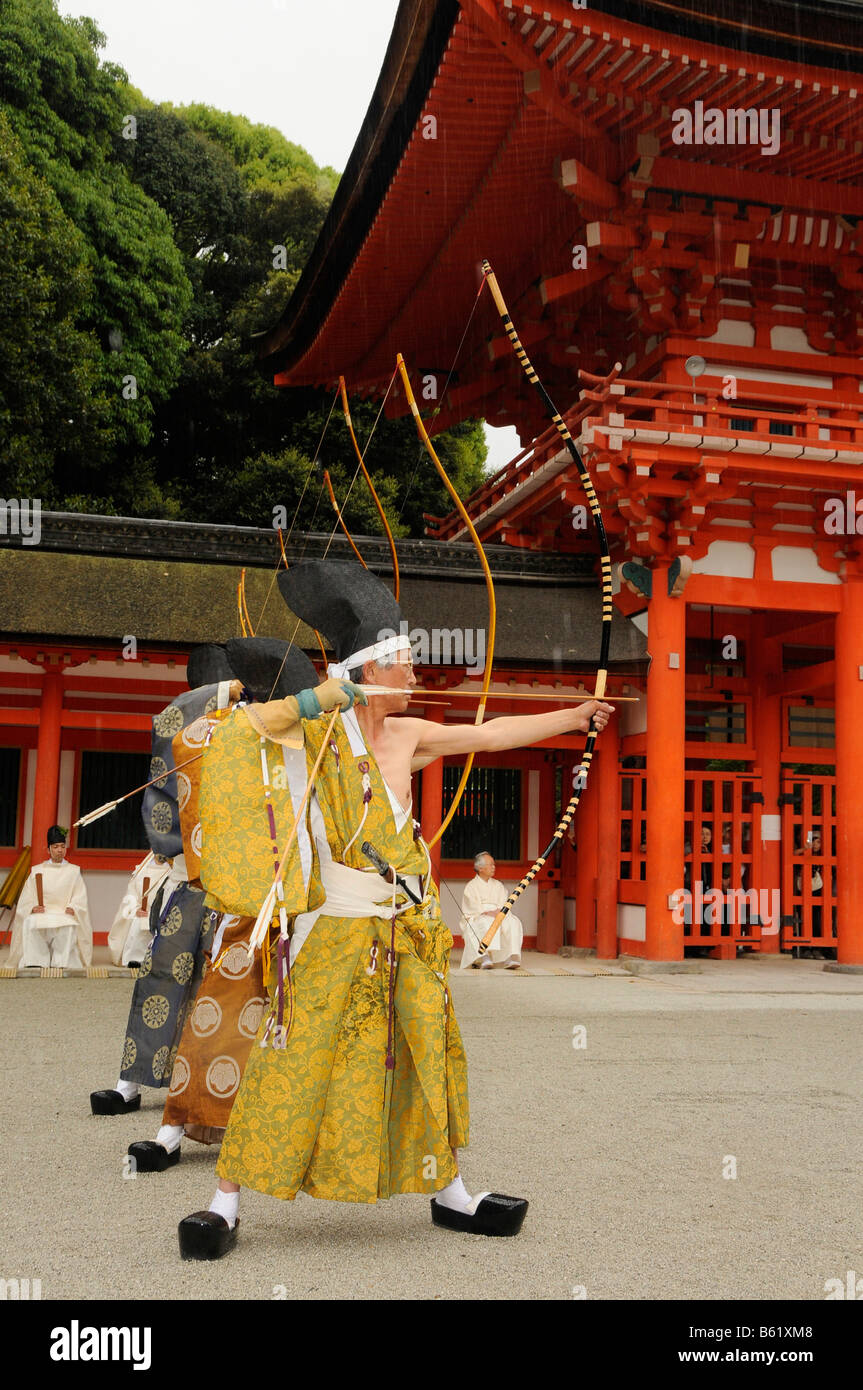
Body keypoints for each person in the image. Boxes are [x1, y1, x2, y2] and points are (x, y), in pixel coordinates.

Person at [177, 560, 614, 1258]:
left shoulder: (405, 736)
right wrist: (320, 698)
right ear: (367, 673)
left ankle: (451, 1191)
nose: (414, 671)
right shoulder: (316, 734)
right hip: (339, 929)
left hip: (404, 930)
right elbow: (239, 733)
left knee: (425, 1052)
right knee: (295, 1054)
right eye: (403, 662)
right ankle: (223, 1202)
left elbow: (492, 734)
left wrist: (571, 714)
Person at [125, 641, 320, 1172]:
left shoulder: (299, 737)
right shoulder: (214, 732)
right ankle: (170, 1118)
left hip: (308, 900)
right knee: (212, 1009)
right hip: (235, 896)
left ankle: (298, 1134)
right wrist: (226, 696)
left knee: (305, 1022)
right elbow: (179, 725)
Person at [7, 826, 92, 970]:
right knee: (30, 922)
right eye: (56, 846)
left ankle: (62, 962)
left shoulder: (73, 871)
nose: (60, 850)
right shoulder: (37, 871)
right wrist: (32, 907)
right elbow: (27, 897)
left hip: (64, 913)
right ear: (48, 849)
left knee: (68, 925)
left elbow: (80, 896)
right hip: (43, 913)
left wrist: (73, 907)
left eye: (62, 846)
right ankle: (36, 960)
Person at [106, 852, 171, 968]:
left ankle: (157, 960)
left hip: (163, 912)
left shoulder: (172, 872)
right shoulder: (141, 871)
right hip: (141, 911)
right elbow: (131, 894)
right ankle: (134, 959)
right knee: (137, 923)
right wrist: (136, 909)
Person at [459, 852, 523, 969]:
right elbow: (472, 907)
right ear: (480, 868)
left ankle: (511, 956)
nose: (494, 867)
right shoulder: (471, 886)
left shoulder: (498, 885)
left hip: (498, 913)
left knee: (513, 922)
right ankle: (484, 956)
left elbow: (505, 903)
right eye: (490, 865)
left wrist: (499, 912)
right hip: (479, 915)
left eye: (494, 865)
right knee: (485, 922)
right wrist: (486, 912)